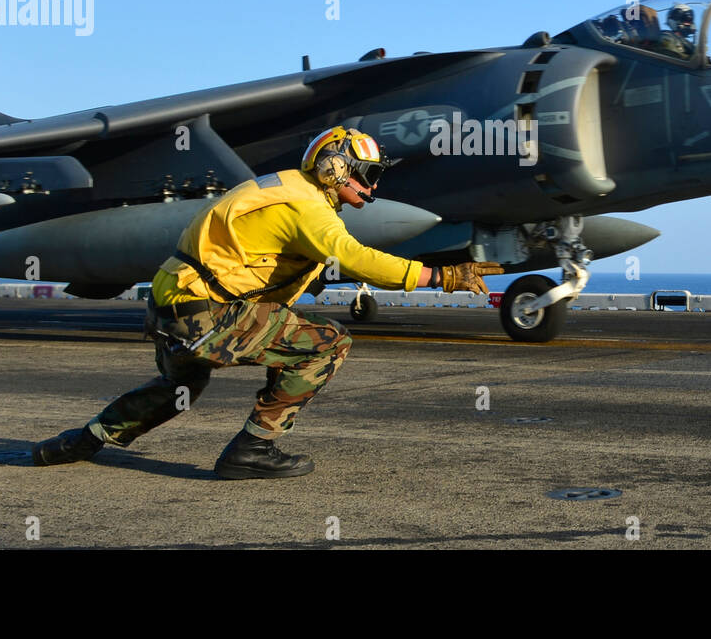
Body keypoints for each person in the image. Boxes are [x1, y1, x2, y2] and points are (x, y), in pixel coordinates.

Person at [32, 126, 502, 479]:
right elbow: (351, 257)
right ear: (336, 167)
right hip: (206, 314)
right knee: (328, 343)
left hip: (172, 307)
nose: (373, 186)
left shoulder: (288, 189)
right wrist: (441, 275)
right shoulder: (307, 206)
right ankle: (253, 449)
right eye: (367, 174)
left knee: (175, 392)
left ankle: (78, 443)